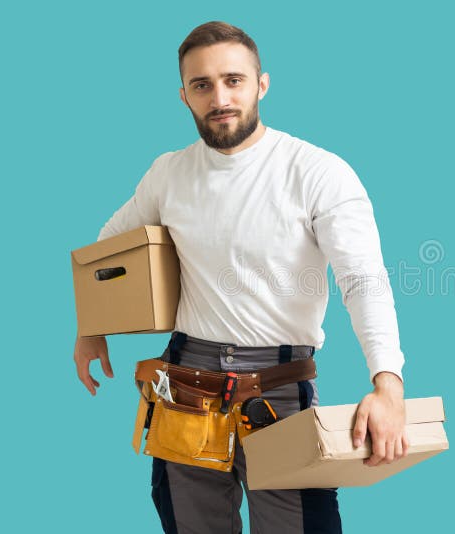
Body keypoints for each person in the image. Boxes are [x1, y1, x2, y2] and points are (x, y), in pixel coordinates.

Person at [72, 20, 408, 534]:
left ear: (261, 84)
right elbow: (106, 251)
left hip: (278, 394)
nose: (220, 97)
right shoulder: (168, 173)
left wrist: (388, 386)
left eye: (234, 80)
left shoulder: (317, 173)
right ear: (183, 95)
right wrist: (91, 326)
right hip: (185, 387)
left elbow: (363, 281)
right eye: (202, 85)